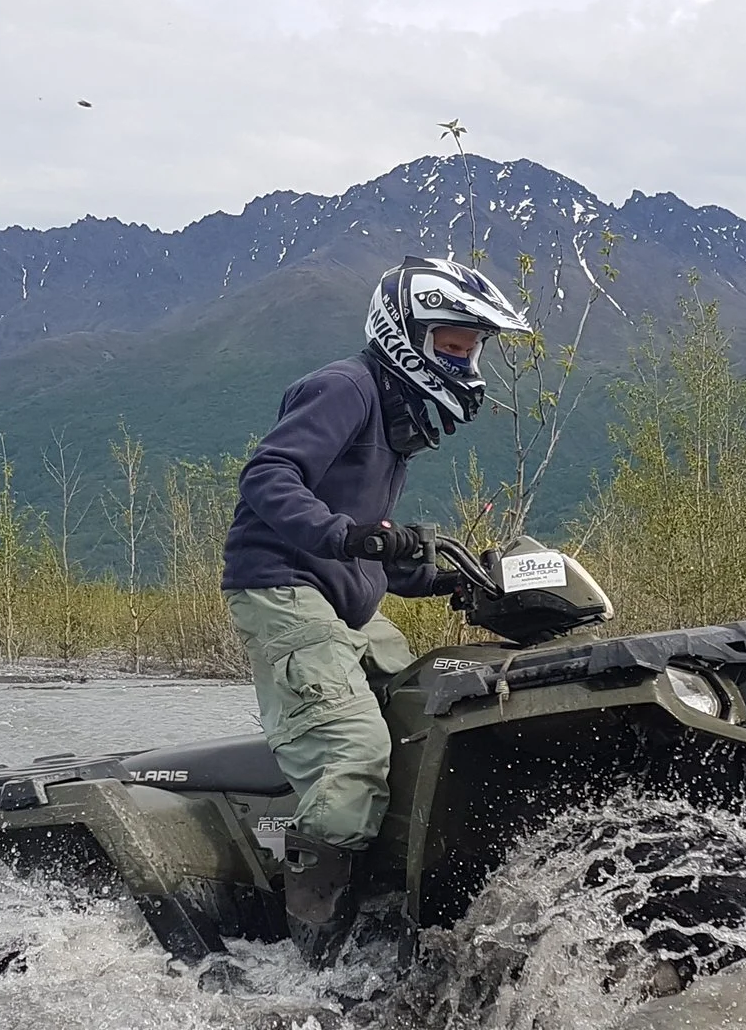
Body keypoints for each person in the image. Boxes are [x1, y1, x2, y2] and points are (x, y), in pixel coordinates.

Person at [220, 255, 533, 964]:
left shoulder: (392, 420)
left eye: (472, 347)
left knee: (438, 703)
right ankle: (315, 955)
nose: (465, 359)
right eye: (453, 343)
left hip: (344, 597)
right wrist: (345, 535)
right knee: (355, 752)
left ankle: (402, 898)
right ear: (408, 336)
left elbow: (371, 546)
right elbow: (269, 476)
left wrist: (448, 580)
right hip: (284, 586)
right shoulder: (346, 388)